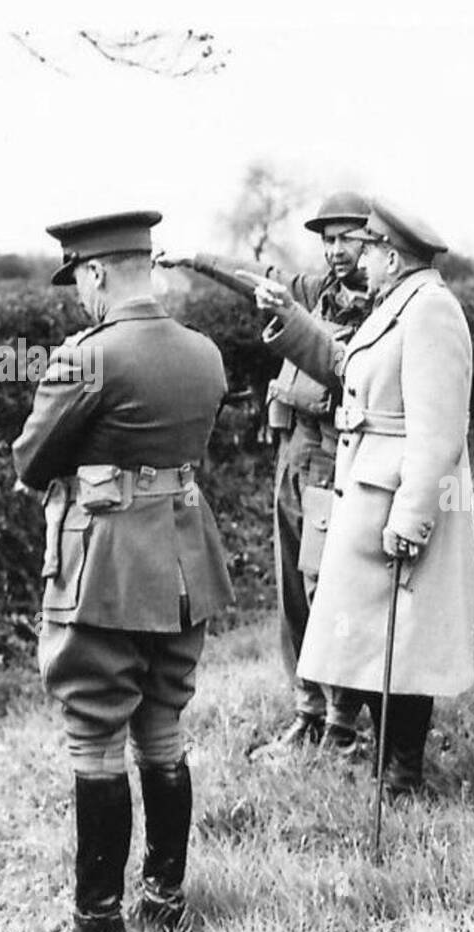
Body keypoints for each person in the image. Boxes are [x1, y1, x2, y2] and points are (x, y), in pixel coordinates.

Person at [13, 210, 234, 932]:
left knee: (94, 729)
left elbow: (31, 459)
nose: (79, 296)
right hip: (183, 559)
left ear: (98, 272)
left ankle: (98, 926)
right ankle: (165, 902)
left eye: (79, 279)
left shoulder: (88, 358)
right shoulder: (204, 353)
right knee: (164, 722)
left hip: (105, 566)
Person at [245, 200, 474, 795]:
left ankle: (401, 774)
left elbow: (439, 431)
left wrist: (413, 518)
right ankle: (386, 769)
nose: (359, 259)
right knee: (375, 636)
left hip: (396, 497)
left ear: (391, 257)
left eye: (368, 249)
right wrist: (292, 320)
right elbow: (346, 367)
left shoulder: (430, 312)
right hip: (369, 491)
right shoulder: (397, 309)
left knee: (407, 639)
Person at [155, 192, 374, 759]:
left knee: (330, 585)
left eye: (347, 238)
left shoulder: (382, 305)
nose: (336, 250)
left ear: (372, 241)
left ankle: (344, 722)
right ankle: (308, 708)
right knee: (292, 586)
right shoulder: (312, 291)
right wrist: (196, 258)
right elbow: (257, 277)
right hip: (296, 447)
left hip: (338, 452)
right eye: (328, 239)